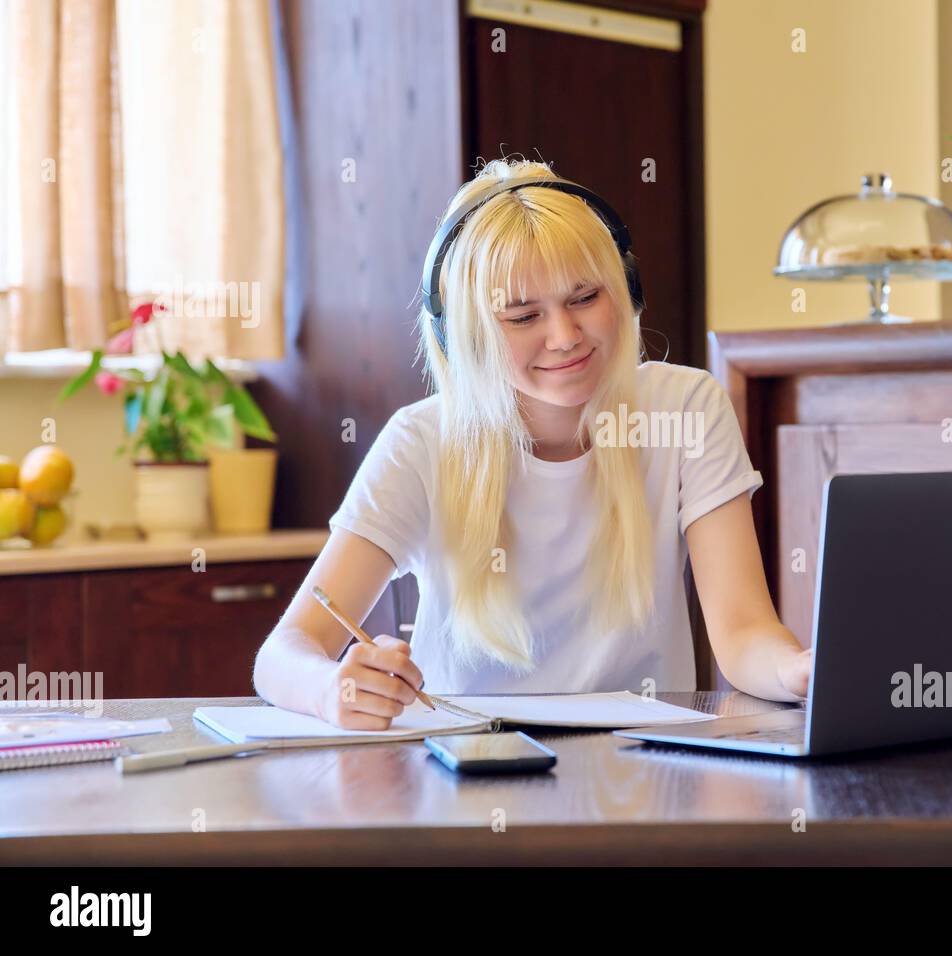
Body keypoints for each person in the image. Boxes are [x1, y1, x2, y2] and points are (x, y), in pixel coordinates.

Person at [253, 158, 811, 730]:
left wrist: (796, 671)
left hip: (643, 766)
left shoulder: (687, 407)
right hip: (466, 771)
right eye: (522, 316)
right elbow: (283, 654)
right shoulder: (420, 442)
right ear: (466, 334)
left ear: (625, 289)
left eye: (585, 297)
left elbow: (744, 631)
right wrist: (330, 689)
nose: (565, 337)